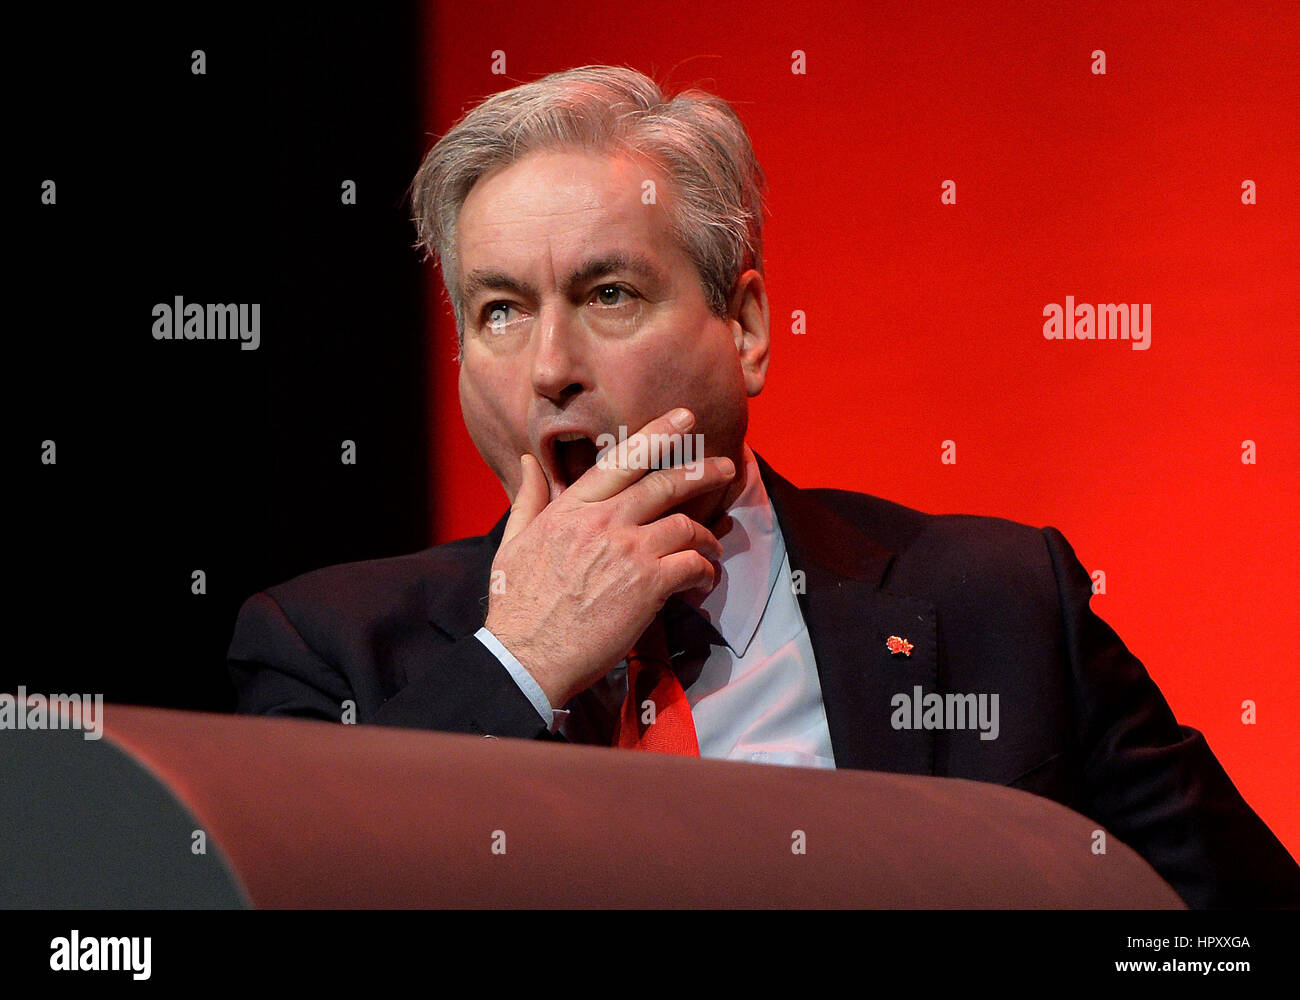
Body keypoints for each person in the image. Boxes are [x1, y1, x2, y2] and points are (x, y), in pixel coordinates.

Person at [227, 64, 1300, 909]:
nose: (548, 363)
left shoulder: (1000, 605)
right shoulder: (327, 646)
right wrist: (523, 665)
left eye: (608, 292)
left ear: (742, 331)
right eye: (499, 310)